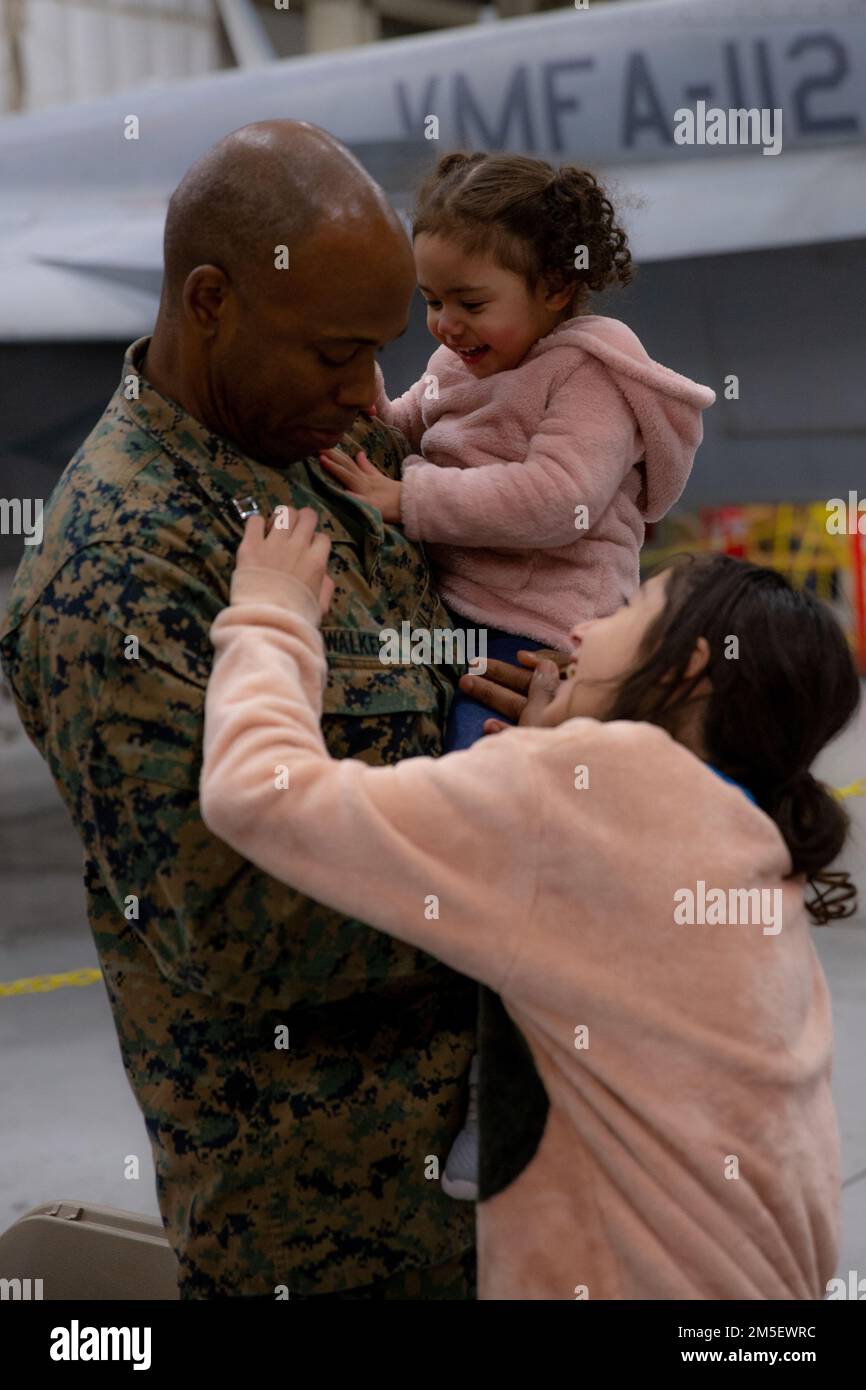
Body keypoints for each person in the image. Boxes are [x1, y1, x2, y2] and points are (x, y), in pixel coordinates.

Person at [0, 122, 480, 1299]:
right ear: (211, 300)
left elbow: (419, 671)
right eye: (333, 353)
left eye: (377, 352)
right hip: (326, 1236)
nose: (368, 393)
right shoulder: (121, 562)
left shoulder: (321, 443)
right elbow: (235, 928)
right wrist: (534, 864)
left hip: (486, 1184)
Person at [200, 506, 860, 1300]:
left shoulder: (597, 788)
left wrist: (273, 609)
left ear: (686, 669)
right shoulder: (750, 845)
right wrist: (552, 759)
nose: (580, 633)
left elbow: (257, 795)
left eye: (628, 609)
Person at [321, 150, 716, 1194]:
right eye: (429, 301)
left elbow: (557, 500)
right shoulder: (470, 361)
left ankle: (509, 1104)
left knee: (498, 877)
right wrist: (357, 415)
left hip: (540, 654)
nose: (443, 325)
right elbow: (410, 422)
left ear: (556, 288)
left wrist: (409, 505)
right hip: (460, 639)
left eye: (469, 301)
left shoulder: (586, 373)